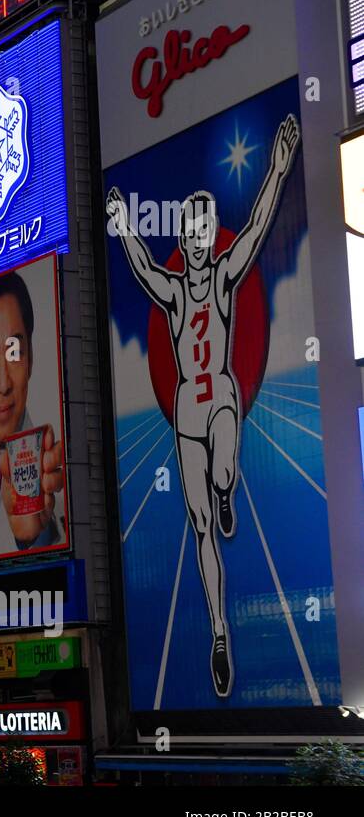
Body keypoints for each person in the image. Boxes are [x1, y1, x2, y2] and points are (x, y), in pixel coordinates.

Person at [106, 114, 301, 698]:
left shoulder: (221, 278)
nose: (194, 242)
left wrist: (278, 166)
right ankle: (219, 631)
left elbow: (261, 225)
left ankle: (226, 488)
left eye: (202, 232)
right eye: (188, 234)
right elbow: (142, 267)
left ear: (209, 232)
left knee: (222, 469)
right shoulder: (171, 291)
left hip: (222, 396)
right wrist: (121, 227)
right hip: (190, 408)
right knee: (199, 529)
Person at [0, 266, 67, 556]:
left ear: (31, 360)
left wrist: (34, 538)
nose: (4, 384)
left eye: (14, 354)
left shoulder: (56, 468)